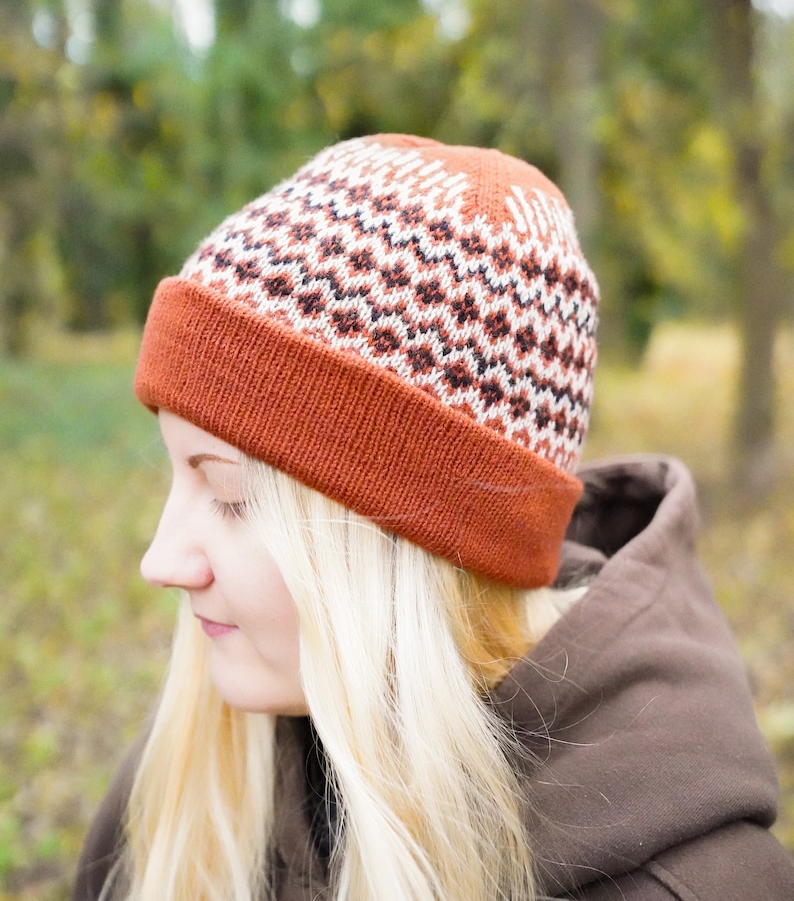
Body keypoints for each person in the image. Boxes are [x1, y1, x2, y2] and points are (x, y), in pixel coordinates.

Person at [73, 133, 794, 901]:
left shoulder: (701, 884)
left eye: (231, 495)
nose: (161, 558)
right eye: (177, 473)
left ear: (412, 543)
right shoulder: (191, 788)